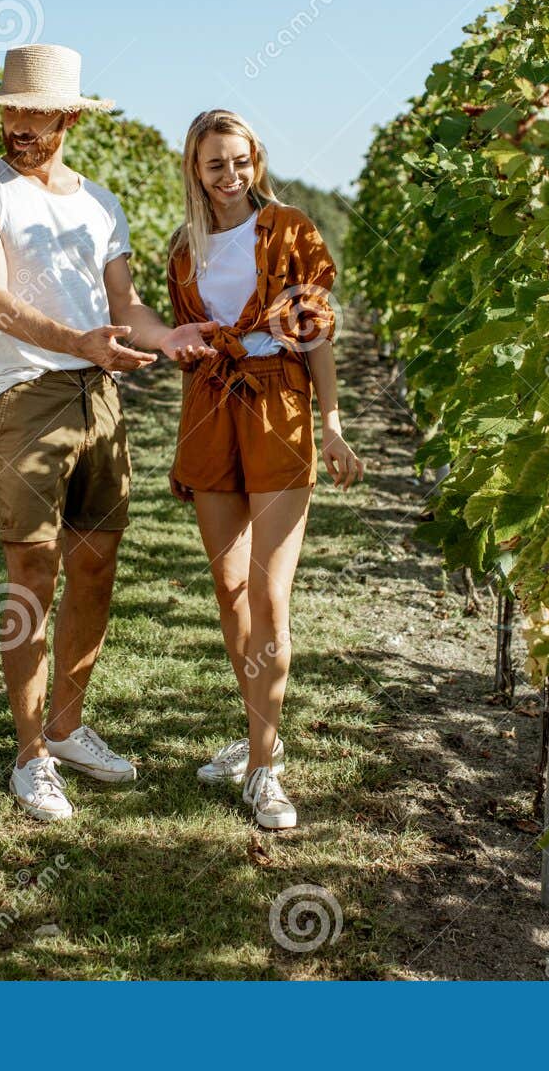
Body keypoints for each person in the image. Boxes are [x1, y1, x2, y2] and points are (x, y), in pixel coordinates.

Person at [0, 44, 215, 820]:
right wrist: (81, 343)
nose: (19, 127)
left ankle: (65, 727)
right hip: (27, 396)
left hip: (100, 397)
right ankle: (28, 755)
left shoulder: (99, 203)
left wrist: (171, 339)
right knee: (31, 576)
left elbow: (123, 308)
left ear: (67, 118)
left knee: (95, 566)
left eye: (35, 114)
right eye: (10, 113)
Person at [166, 109, 365, 830]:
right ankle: (254, 730)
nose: (230, 176)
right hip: (211, 405)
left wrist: (333, 425)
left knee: (267, 596)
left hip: (278, 403)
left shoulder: (289, 230)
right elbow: (186, 336)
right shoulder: (183, 249)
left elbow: (315, 333)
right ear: (195, 168)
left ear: (258, 160)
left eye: (241, 161)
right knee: (228, 587)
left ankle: (265, 768)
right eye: (215, 163)